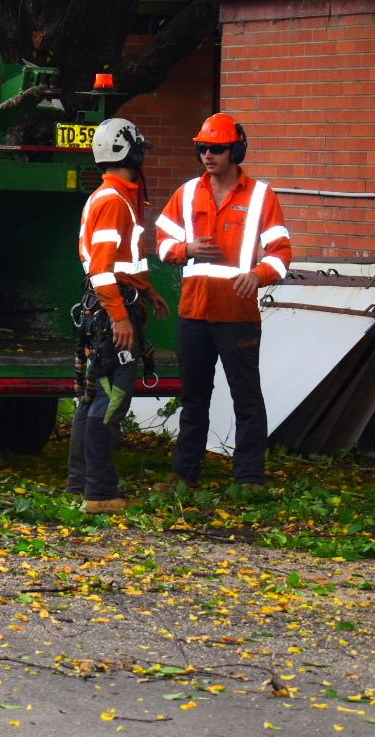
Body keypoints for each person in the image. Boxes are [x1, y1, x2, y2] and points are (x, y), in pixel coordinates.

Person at [153, 113, 292, 487]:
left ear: (236, 150)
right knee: (194, 399)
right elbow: (163, 243)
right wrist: (187, 249)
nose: (208, 156)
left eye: (216, 149)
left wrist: (257, 275)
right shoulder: (186, 193)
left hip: (237, 317)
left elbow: (281, 253)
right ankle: (185, 475)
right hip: (194, 315)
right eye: (202, 149)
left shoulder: (262, 196)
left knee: (246, 400)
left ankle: (249, 478)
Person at [68, 117, 169, 513]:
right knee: (110, 401)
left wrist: (148, 289)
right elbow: (103, 268)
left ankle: (81, 485)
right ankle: (101, 494)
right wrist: (120, 317)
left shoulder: (118, 196)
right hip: (113, 310)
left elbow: (125, 261)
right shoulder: (113, 202)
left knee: (93, 396)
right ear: (132, 151)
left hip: (112, 305)